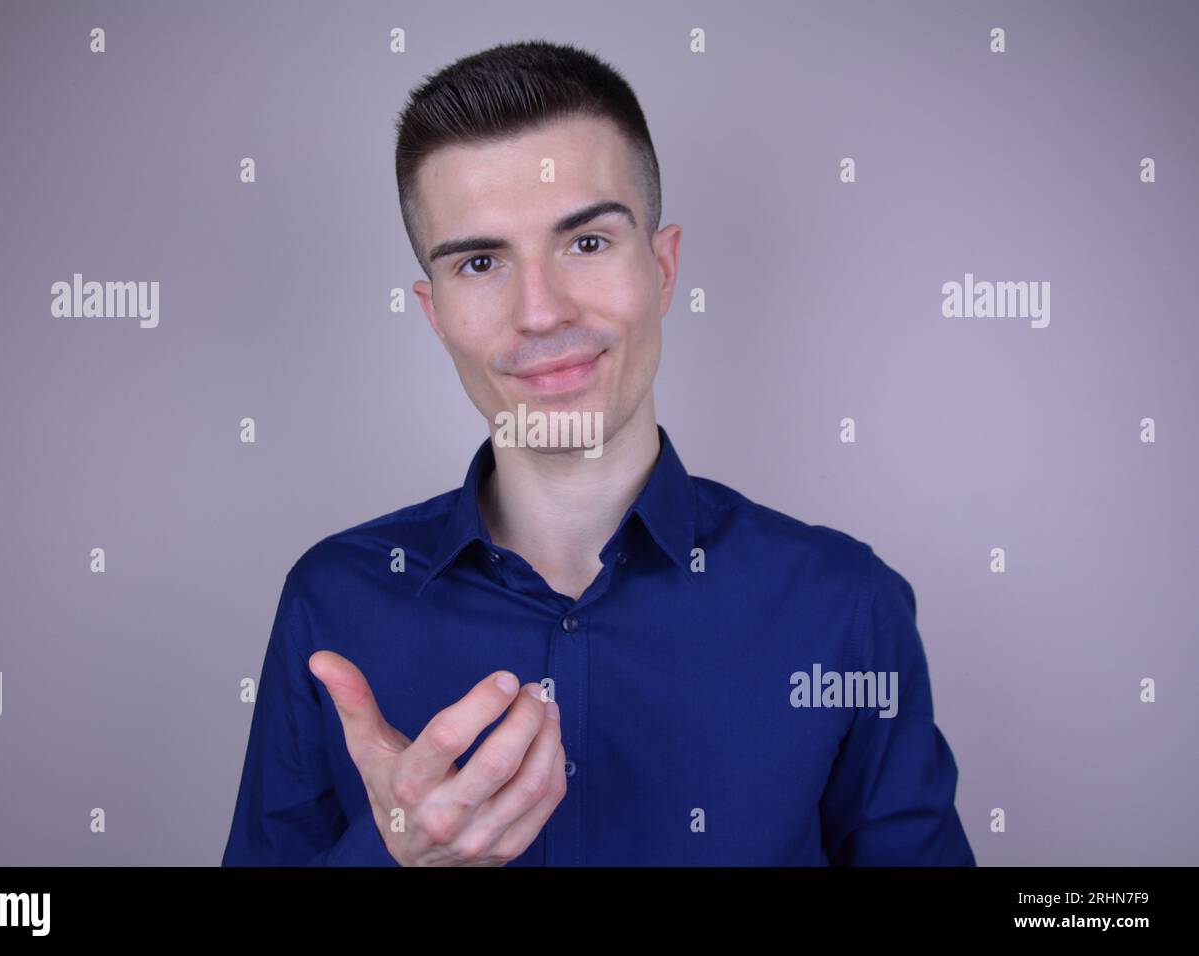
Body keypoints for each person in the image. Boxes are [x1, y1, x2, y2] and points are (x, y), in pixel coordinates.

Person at [222, 39, 975, 867]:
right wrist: (392, 861)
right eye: (481, 261)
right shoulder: (332, 603)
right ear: (435, 314)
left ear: (662, 266)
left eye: (585, 243)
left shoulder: (846, 606)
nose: (540, 313)